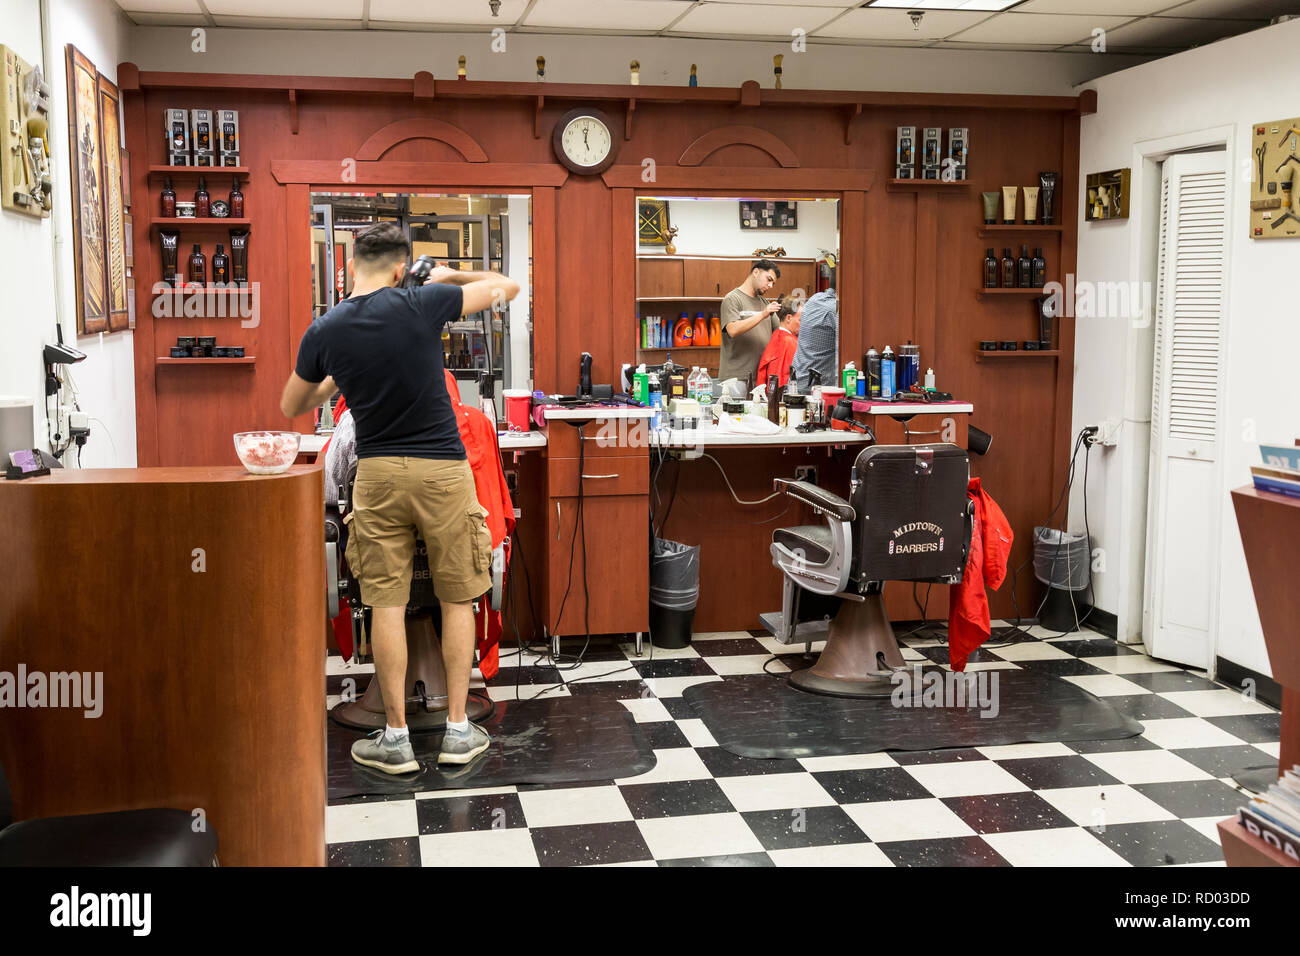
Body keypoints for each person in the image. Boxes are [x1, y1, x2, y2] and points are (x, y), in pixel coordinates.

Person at [280, 222, 519, 774]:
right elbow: (507, 287)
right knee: (459, 595)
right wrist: (449, 274)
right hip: (442, 471)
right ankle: (459, 731)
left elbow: (295, 403)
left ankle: (396, 739)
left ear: (347, 267)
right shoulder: (422, 302)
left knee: (384, 600)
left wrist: (341, 373)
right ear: (398, 268)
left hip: (379, 474)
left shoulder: (328, 326)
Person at [718, 259, 782, 384]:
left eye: (773, 283)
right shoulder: (732, 299)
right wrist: (763, 314)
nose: (770, 285)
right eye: (769, 279)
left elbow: (781, 332)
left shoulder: (765, 303)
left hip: (760, 378)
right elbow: (732, 330)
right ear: (756, 272)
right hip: (736, 378)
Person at [791, 267, 838, 392]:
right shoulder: (835, 310)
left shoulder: (814, 299)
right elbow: (842, 353)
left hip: (798, 381)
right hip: (818, 389)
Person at [755, 296, 801, 389]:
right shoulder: (790, 342)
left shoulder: (776, 335)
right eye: (800, 320)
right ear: (788, 318)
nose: (803, 324)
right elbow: (783, 377)